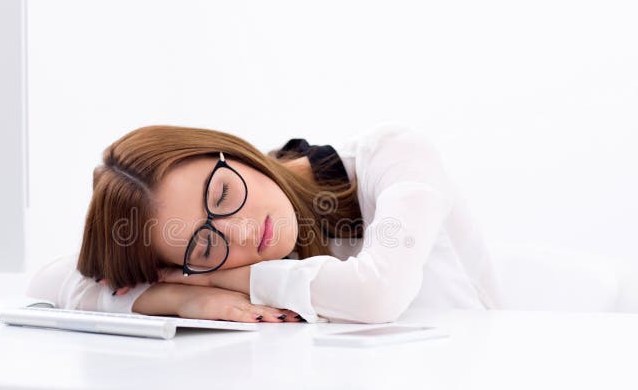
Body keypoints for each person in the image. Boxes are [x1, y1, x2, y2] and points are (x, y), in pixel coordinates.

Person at [25, 121, 504, 324]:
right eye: (206, 246)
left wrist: (213, 273)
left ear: (230, 151)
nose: (241, 232)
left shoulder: (392, 154)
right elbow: (49, 281)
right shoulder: (200, 270)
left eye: (224, 195)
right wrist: (181, 297)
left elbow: (376, 294)